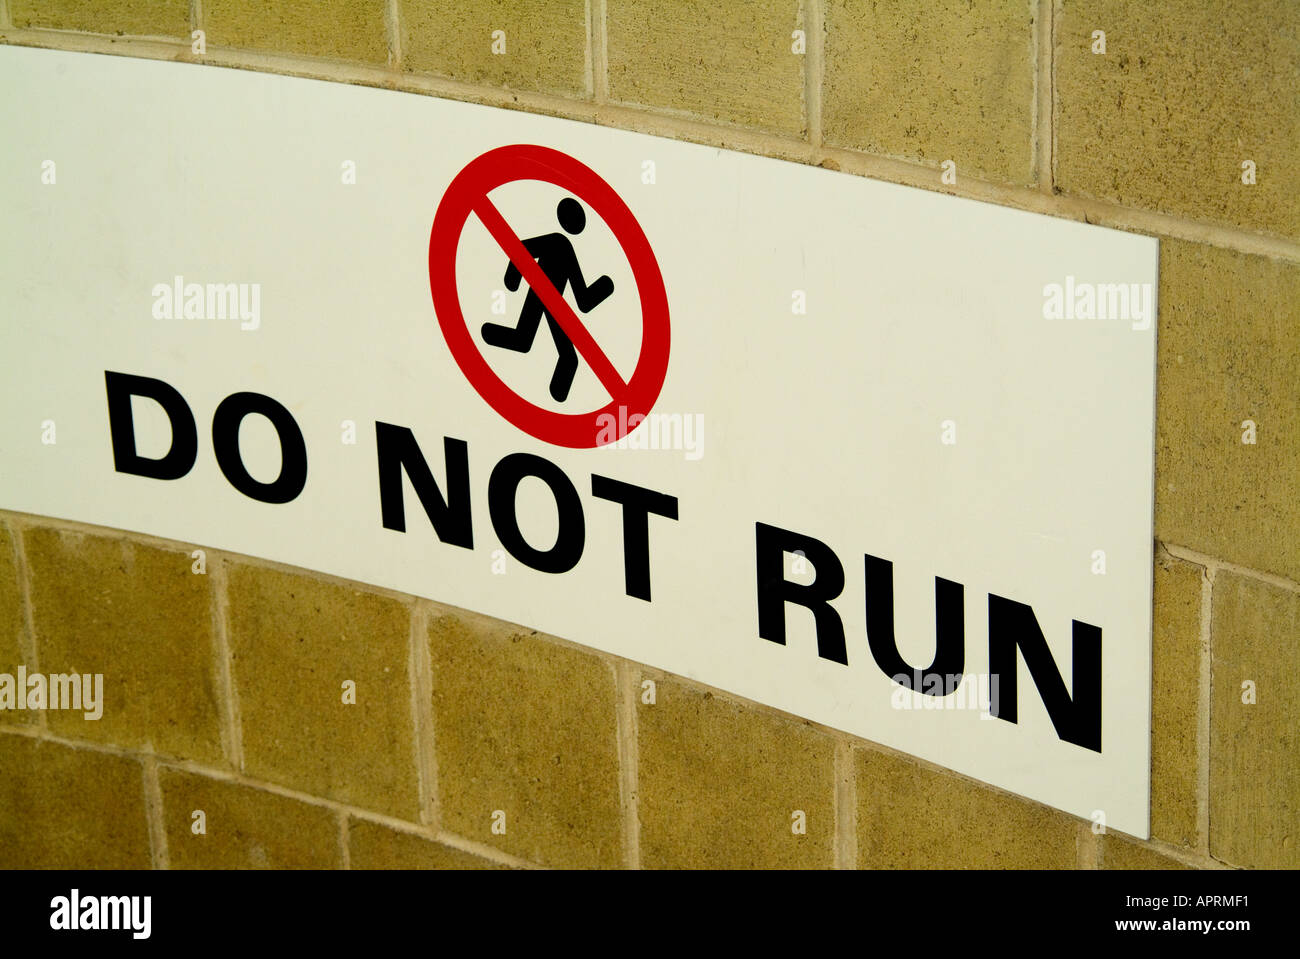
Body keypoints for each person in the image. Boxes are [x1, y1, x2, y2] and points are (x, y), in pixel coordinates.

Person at [482, 197, 614, 402]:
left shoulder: (563, 245)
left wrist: (604, 288)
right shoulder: (558, 242)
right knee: (531, 342)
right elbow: (522, 250)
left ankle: (490, 333)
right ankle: (489, 333)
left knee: (538, 344)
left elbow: (582, 298)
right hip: (542, 297)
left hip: (554, 303)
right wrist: (512, 279)